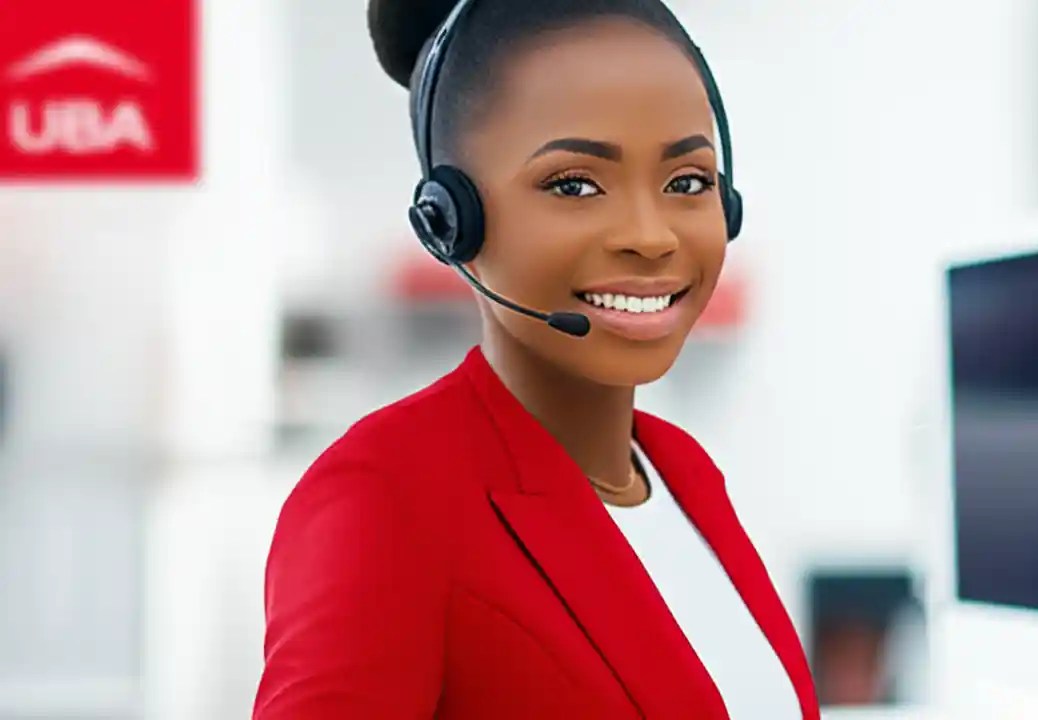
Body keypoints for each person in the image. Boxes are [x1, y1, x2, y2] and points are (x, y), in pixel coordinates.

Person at [252, 1, 819, 718]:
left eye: (687, 183)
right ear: (450, 219)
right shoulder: (385, 500)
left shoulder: (684, 474)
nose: (650, 237)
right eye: (575, 184)